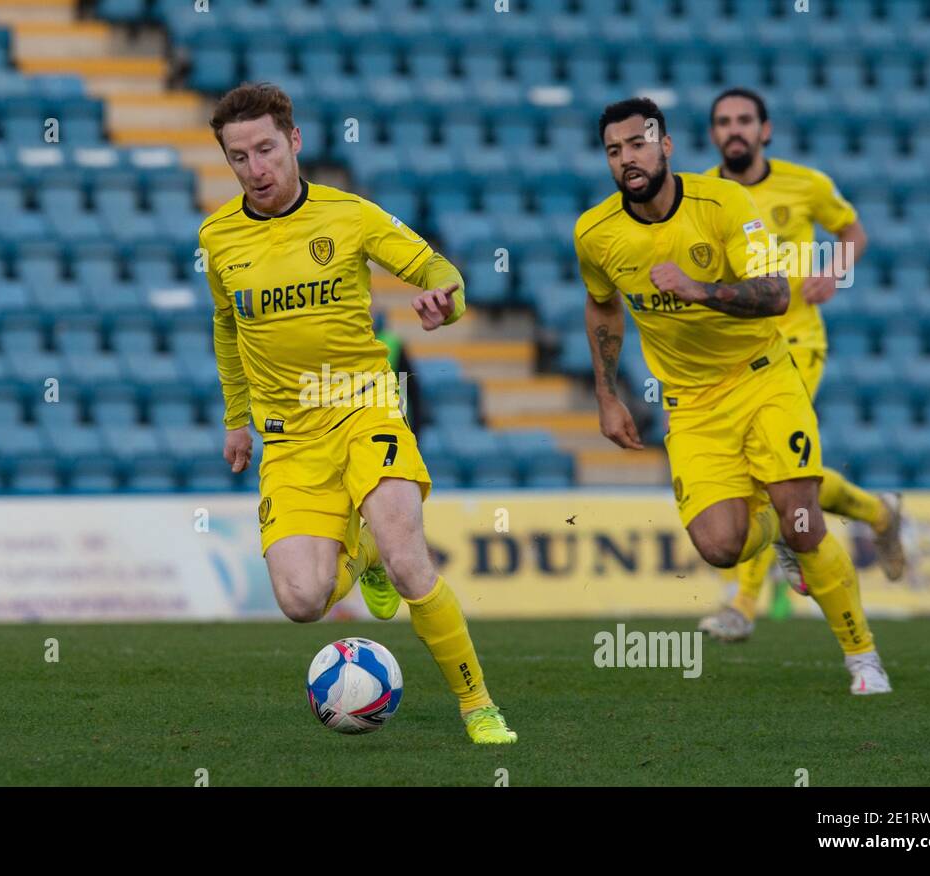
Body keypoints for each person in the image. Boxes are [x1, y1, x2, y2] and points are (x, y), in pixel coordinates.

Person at [201, 82, 519, 740]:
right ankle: (362, 551)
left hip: (363, 409)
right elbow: (227, 331)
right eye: (239, 157)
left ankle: (478, 705)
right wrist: (237, 418)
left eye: (266, 149)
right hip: (290, 440)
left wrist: (444, 302)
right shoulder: (218, 237)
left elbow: (438, 271)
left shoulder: (351, 215)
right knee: (301, 602)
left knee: (411, 561)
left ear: (294, 142)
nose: (256, 168)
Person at [573, 97, 891, 694]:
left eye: (638, 144)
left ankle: (863, 658)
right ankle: (779, 529)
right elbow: (601, 305)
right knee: (720, 545)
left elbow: (774, 294)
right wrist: (606, 395)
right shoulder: (594, 233)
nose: (627, 159)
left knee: (804, 521)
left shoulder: (724, 203)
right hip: (690, 405)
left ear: (666, 146)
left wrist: (695, 289)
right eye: (614, 151)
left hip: (763, 376)